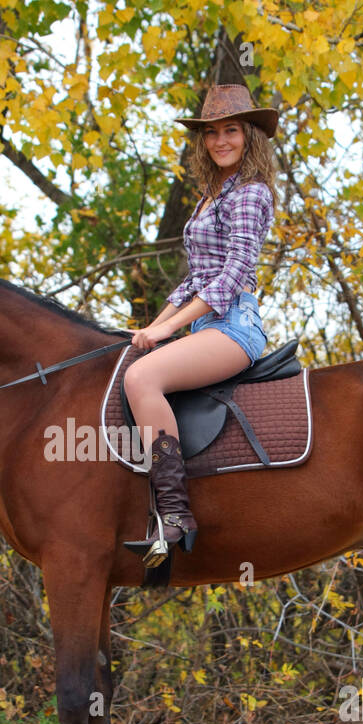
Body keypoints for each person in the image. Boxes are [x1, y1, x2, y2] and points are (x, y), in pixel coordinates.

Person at [123, 84, 279, 565]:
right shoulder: (211, 197)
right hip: (203, 325)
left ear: (249, 136)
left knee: (141, 377)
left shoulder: (250, 193)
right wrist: (153, 326)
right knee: (129, 360)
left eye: (231, 130)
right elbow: (195, 278)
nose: (220, 141)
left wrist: (167, 331)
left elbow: (233, 275)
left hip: (234, 326)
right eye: (211, 133)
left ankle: (174, 514)